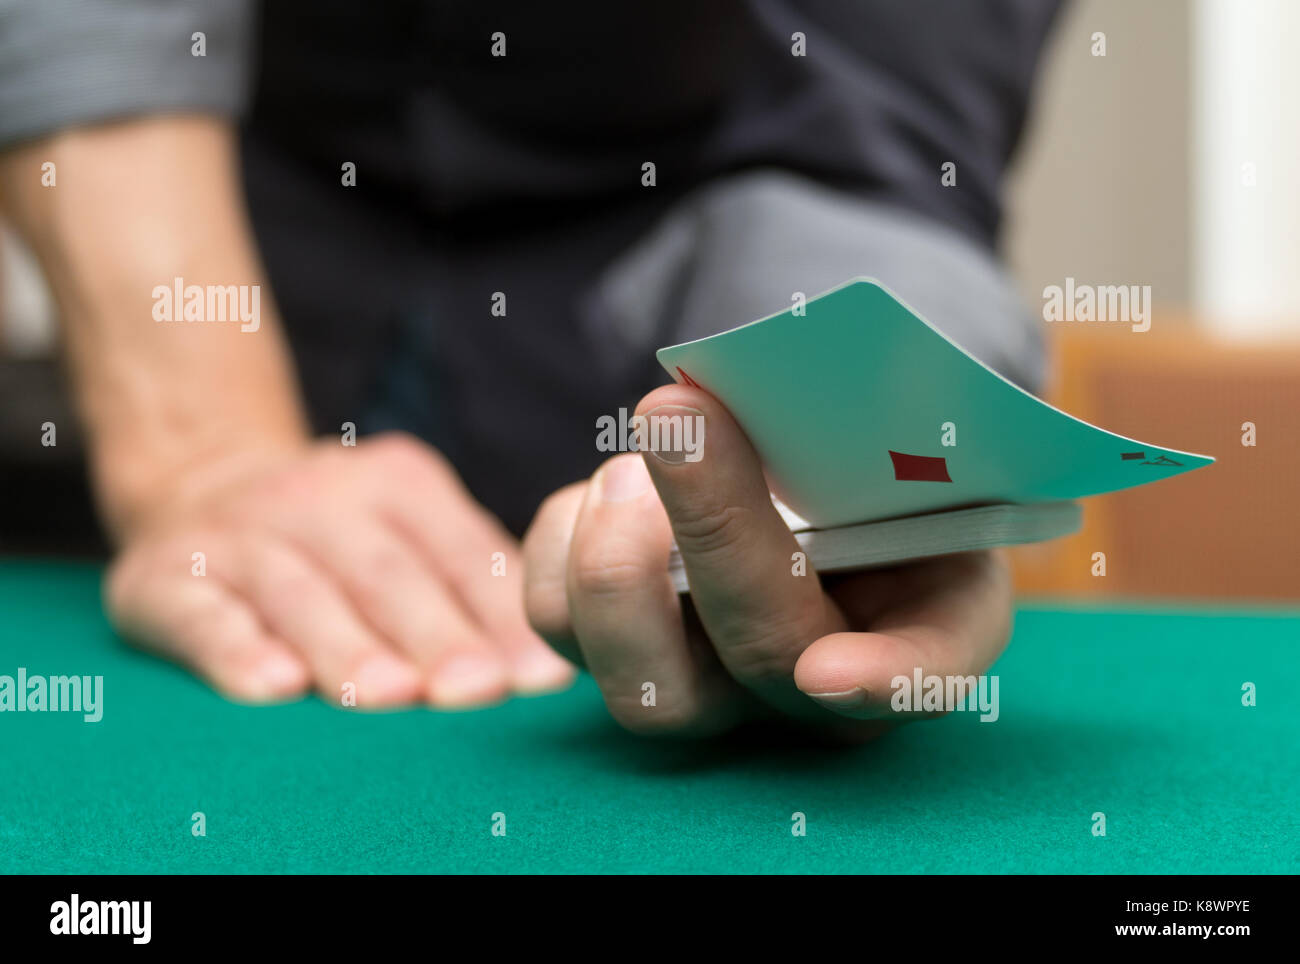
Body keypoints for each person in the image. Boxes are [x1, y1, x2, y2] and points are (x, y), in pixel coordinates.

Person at [0, 0, 1061, 738]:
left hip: (648, 326)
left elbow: (873, 134)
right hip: (234, 283)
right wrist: (205, 457)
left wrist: (832, 444)